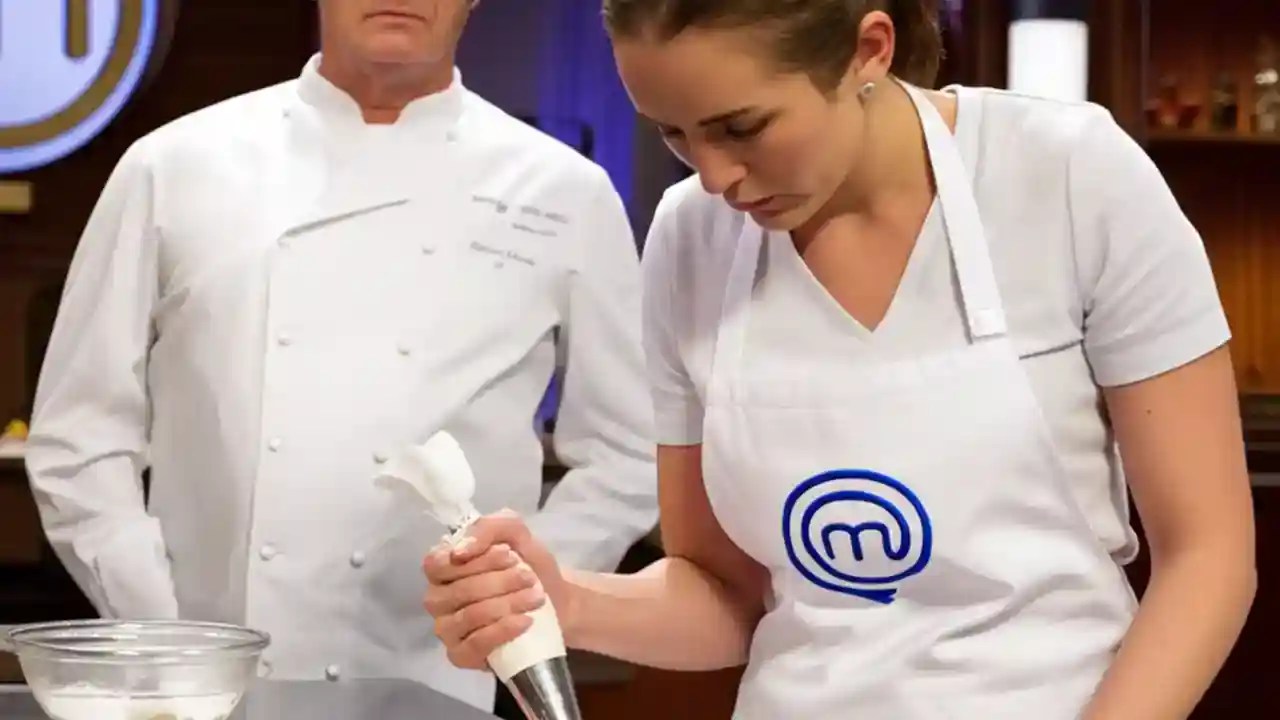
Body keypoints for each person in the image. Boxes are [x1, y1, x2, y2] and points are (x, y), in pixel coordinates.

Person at [422, 1, 1260, 717]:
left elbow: (1208, 556)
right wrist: (565, 601)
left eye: (741, 127)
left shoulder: (1070, 176)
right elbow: (724, 594)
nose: (715, 176)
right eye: (674, 134)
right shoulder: (690, 238)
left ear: (870, 49)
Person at [24, 0, 658, 713]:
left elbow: (630, 450)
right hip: (203, 682)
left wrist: (515, 594)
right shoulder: (173, 166)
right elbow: (80, 439)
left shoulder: (563, 192)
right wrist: (163, 635)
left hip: (440, 673)